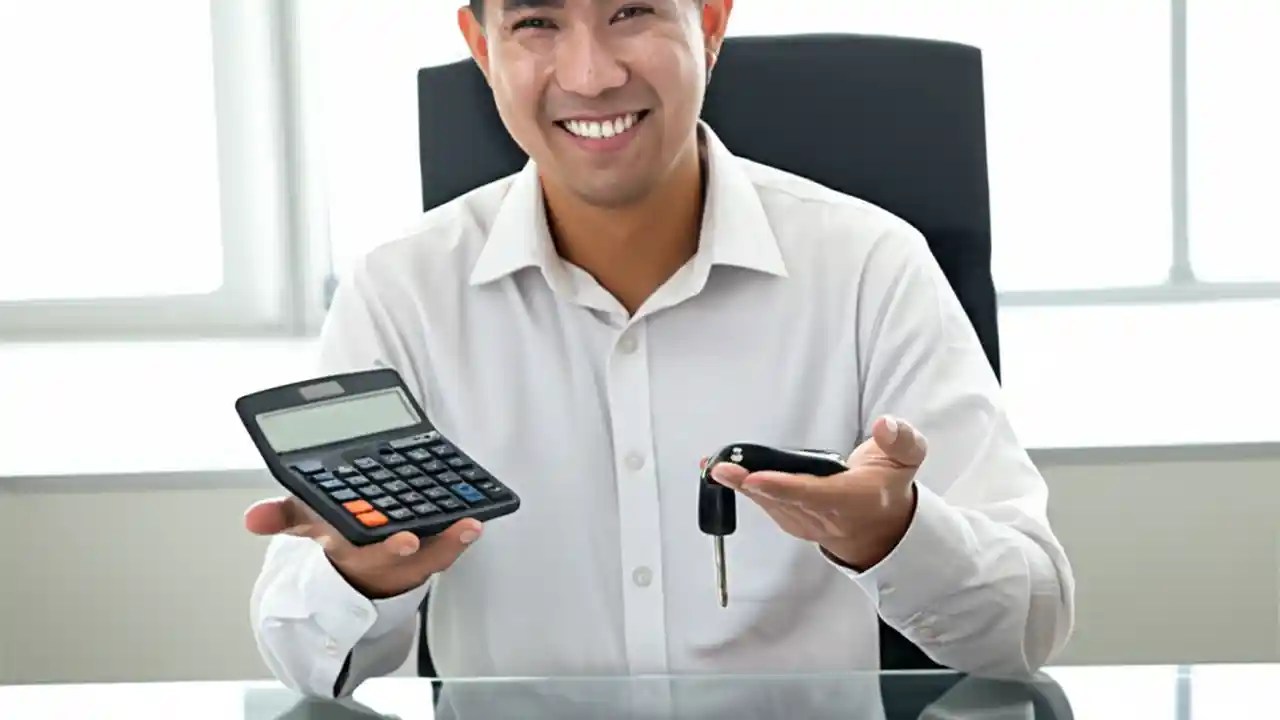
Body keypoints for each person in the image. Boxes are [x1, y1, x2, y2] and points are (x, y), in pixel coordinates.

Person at [245, 0, 1076, 699]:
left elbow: (1025, 625)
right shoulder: (401, 292)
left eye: (632, 11)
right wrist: (359, 579)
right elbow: (303, 661)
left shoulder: (869, 266)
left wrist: (895, 533)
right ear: (480, 47)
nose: (591, 74)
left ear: (710, 20)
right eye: (537, 22)